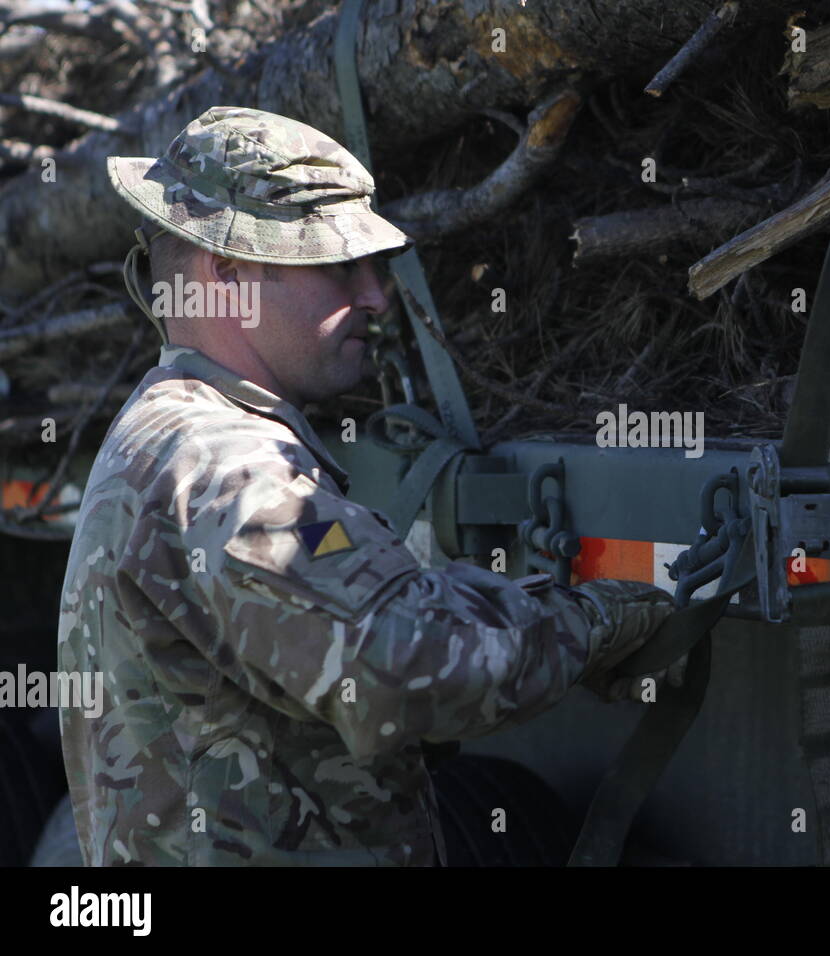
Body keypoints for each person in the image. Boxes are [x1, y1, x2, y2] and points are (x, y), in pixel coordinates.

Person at [57, 105, 677, 866]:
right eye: (337, 266)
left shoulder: (167, 434)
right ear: (227, 273)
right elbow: (401, 662)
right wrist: (594, 625)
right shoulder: (228, 463)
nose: (378, 295)